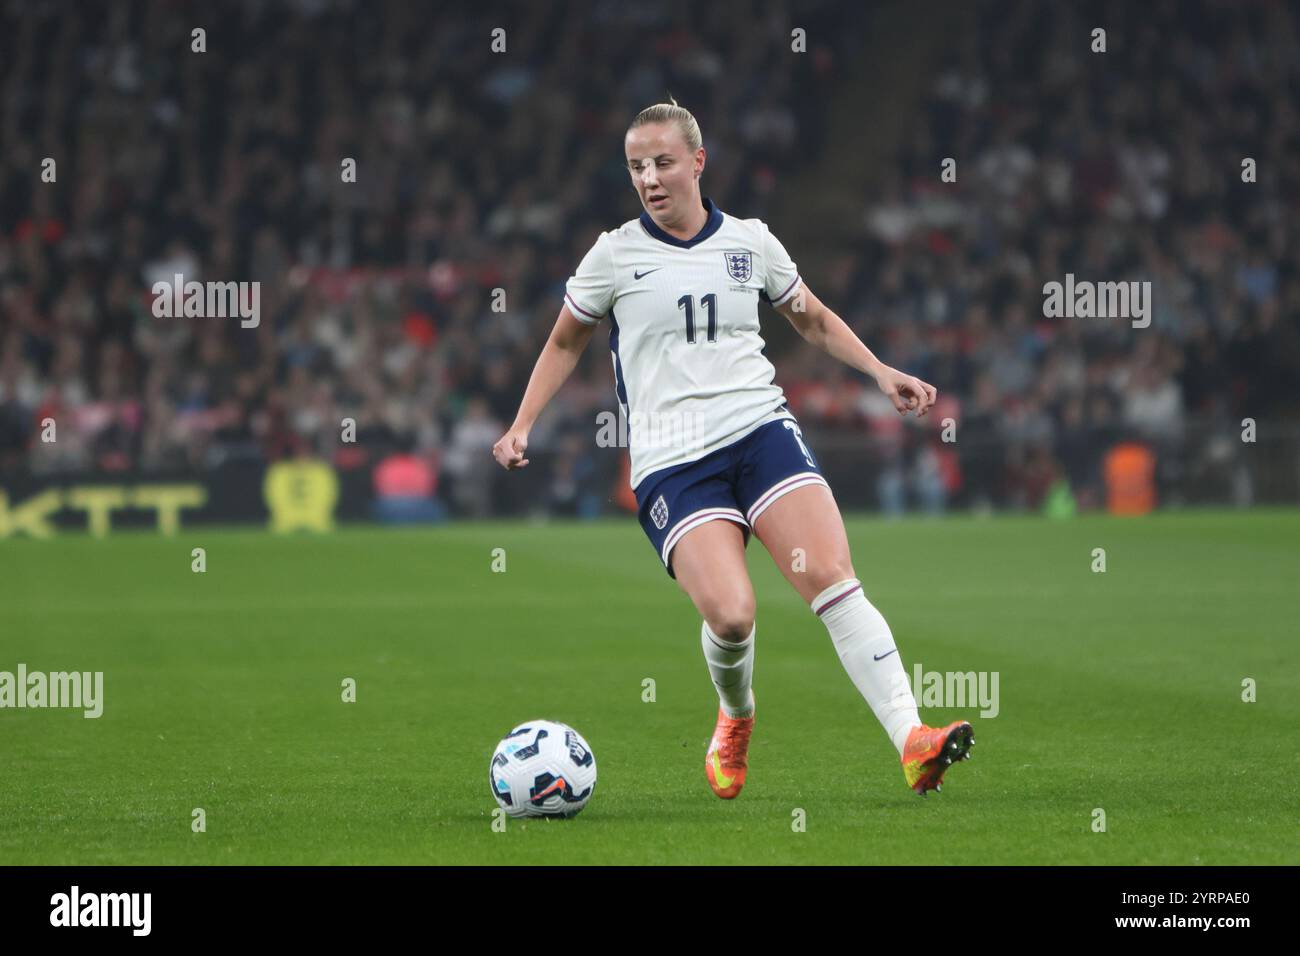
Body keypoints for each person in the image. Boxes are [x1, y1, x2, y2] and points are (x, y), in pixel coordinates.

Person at [491, 98, 973, 799]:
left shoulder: (750, 242)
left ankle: (911, 738)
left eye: (661, 162)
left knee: (833, 579)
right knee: (732, 613)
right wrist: (522, 423)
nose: (649, 178)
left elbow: (811, 319)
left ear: (697, 160)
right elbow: (567, 338)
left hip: (759, 433)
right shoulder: (615, 254)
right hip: (674, 461)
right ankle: (737, 714)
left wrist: (881, 371)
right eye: (635, 167)